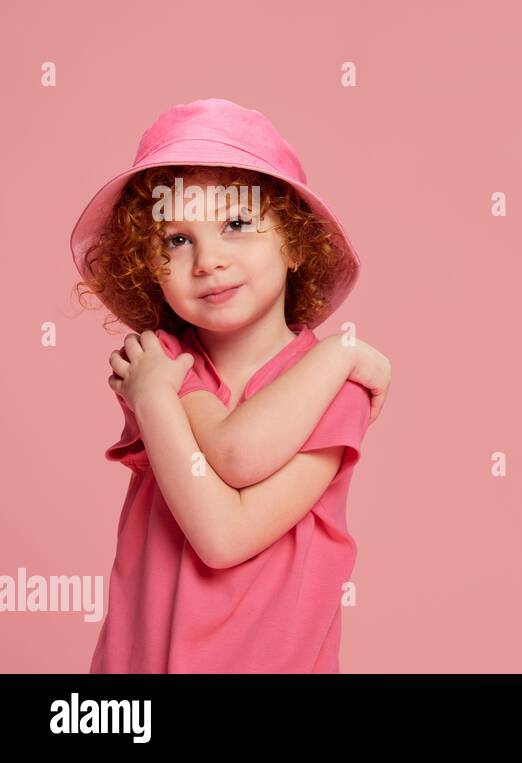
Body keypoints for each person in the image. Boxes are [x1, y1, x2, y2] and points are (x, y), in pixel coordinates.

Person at [70, 98, 391, 672]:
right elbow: (227, 451)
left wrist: (156, 398)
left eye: (236, 224)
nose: (208, 260)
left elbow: (224, 533)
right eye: (176, 239)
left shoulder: (332, 389)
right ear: (146, 263)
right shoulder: (157, 361)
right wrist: (150, 395)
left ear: (294, 242)